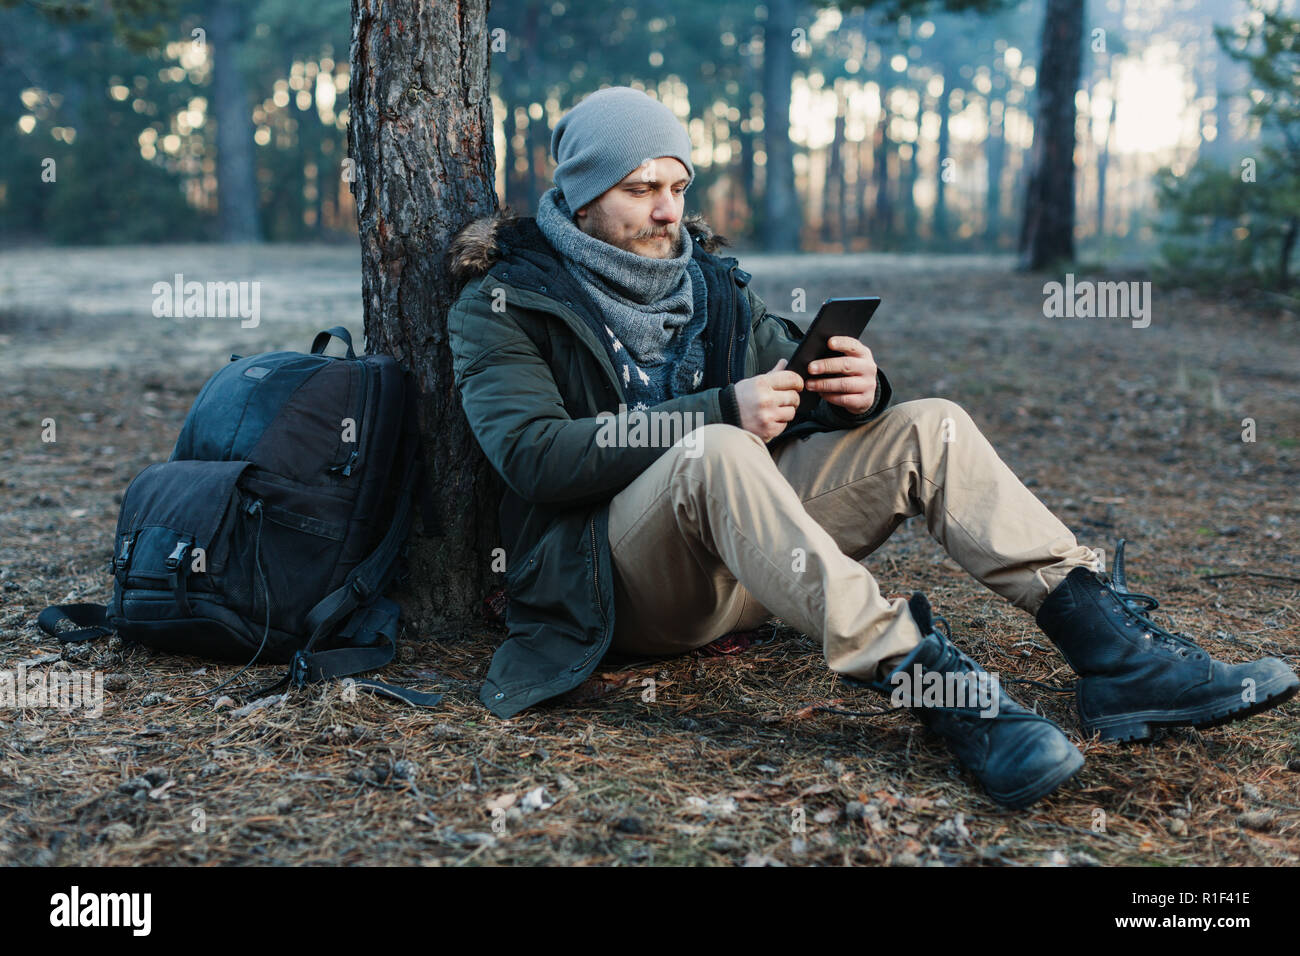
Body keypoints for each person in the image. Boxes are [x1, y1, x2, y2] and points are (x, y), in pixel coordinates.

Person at [446, 86, 1298, 808]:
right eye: (640, 189)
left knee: (929, 422)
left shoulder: (709, 284)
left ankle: (1117, 655)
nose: (668, 210)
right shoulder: (509, 303)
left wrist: (855, 391)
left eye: (676, 184)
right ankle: (943, 691)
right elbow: (532, 456)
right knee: (718, 451)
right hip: (618, 587)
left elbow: (781, 390)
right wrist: (717, 409)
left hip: (756, 566)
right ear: (584, 195)